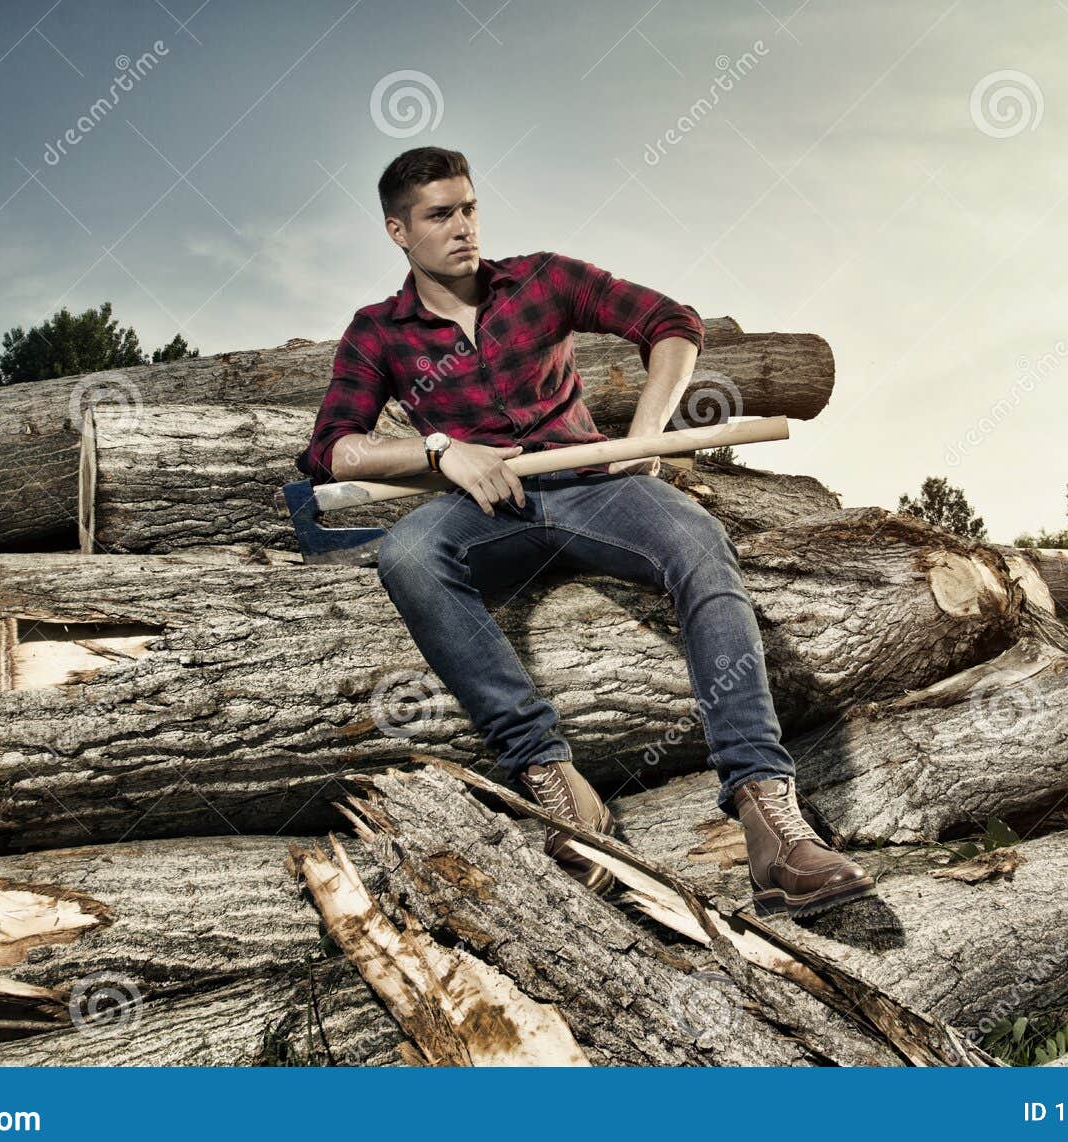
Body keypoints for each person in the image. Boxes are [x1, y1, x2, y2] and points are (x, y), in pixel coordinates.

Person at [294, 146, 874, 918]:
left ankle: (769, 817)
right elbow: (334, 449)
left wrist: (646, 430)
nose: (463, 227)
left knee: (699, 540)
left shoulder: (543, 279)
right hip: (490, 510)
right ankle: (551, 777)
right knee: (407, 552)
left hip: (594, 490)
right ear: (398, 231)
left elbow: (672, 322)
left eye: (469, 207)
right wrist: (439, 450)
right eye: (439, 215)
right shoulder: (378, 332)